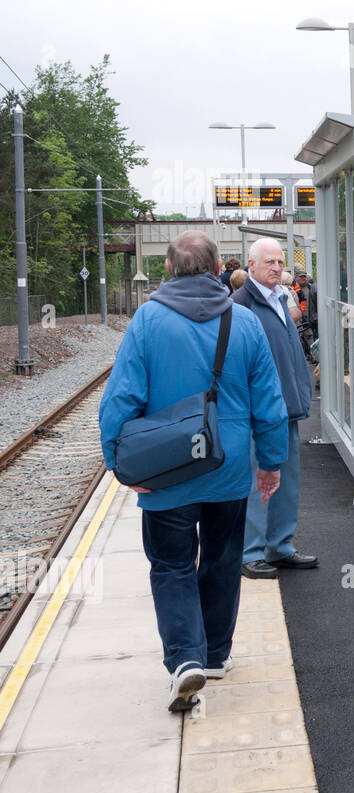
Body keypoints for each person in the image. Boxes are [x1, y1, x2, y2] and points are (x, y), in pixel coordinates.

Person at [99, 231, 287, 711]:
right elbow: (269, 401)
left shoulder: (147, 322)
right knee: (222, 560)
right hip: (227, 471)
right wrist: (270, 462)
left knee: (171, 565)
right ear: (216, 268)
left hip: (166, 474)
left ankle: (186, 658)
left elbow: (120, 398)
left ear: (167, 270)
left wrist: (117, 460)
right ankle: (216, 654)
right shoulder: (244, 322)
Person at [231, 238, 318, 579]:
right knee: (259, 481)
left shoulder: (279, 299)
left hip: (286, 408)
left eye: (280, 262)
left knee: (288, 480)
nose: (277, 268)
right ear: (250, 265)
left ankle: (280, 546)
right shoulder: (240, 304)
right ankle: (251, 551)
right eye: (269, 262)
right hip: (258, 412)